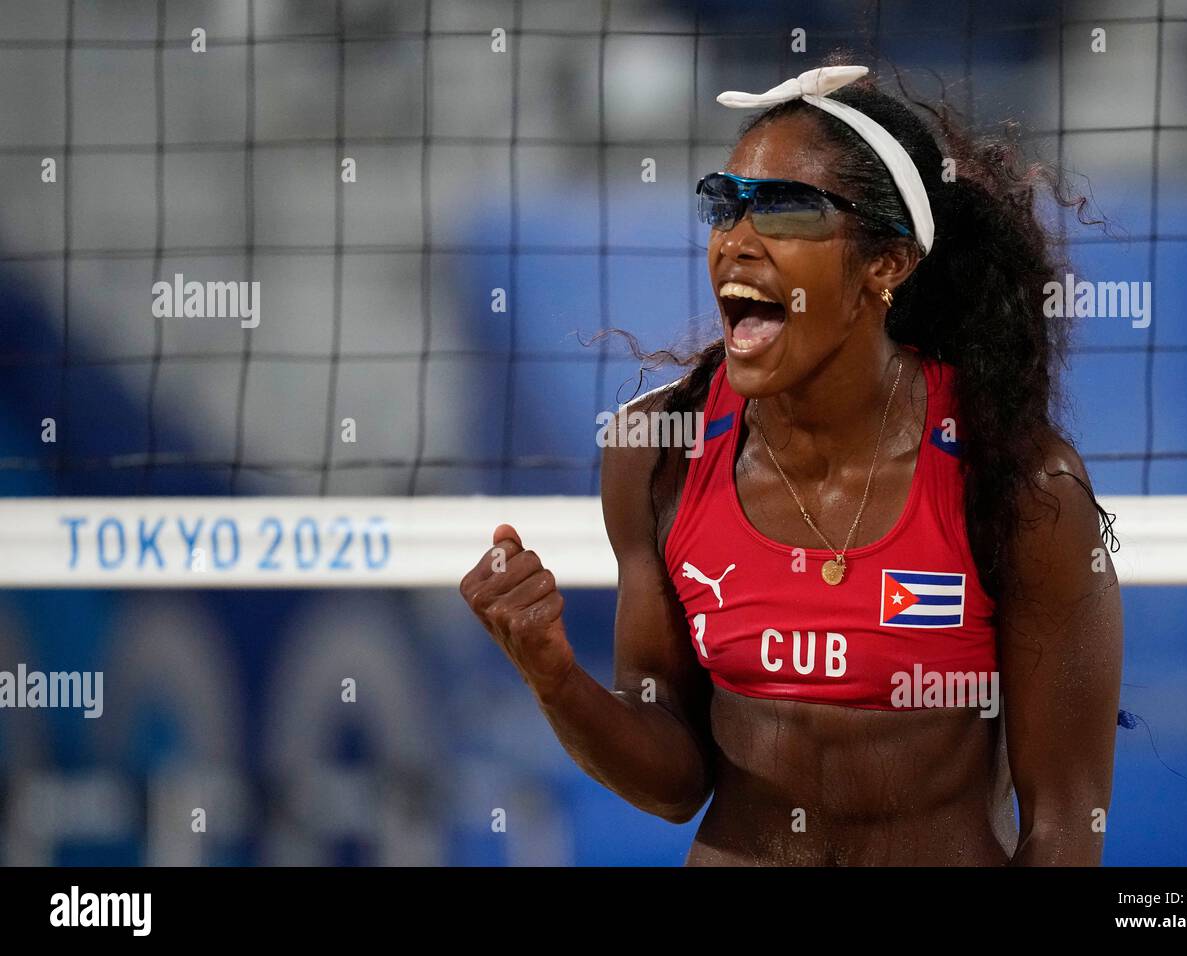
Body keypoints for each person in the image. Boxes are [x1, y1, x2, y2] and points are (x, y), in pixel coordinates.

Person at [460, 58, 1123, 866]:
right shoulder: (656, 455)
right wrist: (555, 676)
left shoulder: (1020, 483)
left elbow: (1064, 829)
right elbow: (674, 782)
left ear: (888, 264)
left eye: (785, 211)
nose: (737, 241)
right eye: (725, 206)